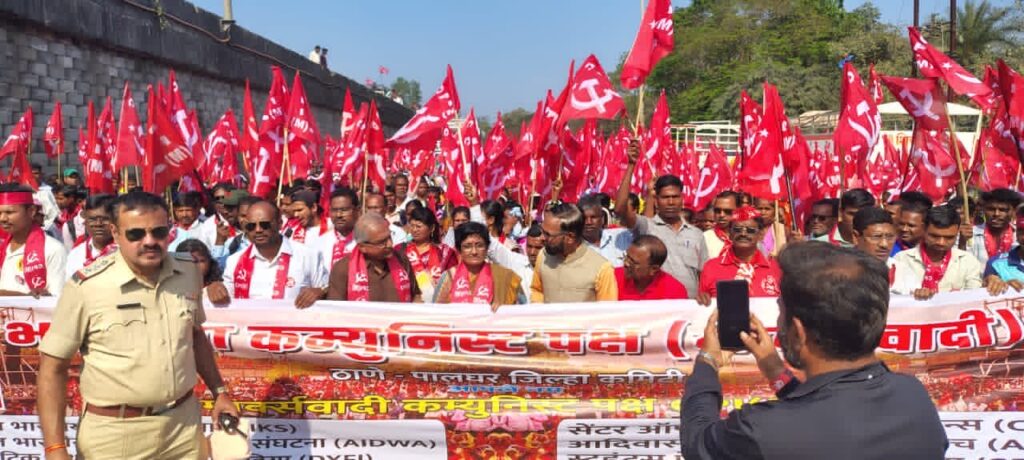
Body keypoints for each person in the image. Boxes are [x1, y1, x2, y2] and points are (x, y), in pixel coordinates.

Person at [681, 242, 948, 459]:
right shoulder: (912, 396)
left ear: (798, 332)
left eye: (781, 309)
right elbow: (825, 408)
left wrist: (708, 361)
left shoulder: (763, 430)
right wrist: (774, 368)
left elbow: (698, 442)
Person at [37, 191, 239, 459]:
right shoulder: (88, 286)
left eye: (159, 232)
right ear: (115, 233)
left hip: (183, 428)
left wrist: (220, 392)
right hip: (115, 435)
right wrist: (55, 447)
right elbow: (52, 368)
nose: (150, 241)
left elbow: (194, 335)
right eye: (136, 234)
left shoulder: (188, 271)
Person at [616, 142, 707, 298]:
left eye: (675, 197)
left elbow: (704, 274)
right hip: (656, 307)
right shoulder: (647, 227)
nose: (671, 202)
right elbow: (620, 210)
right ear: (656, 200)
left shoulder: (697, 234)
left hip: (688, 308)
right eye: (665, 197)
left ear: (682, 199)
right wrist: (631, 165)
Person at [222, 201, 328, 308]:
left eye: (265, 225)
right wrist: (213, 289)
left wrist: (321, 292)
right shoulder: (234, 262)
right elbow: (226, 302)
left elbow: (327, 292)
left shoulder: (309, 256)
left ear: (279, 223)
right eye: (251, 226)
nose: (258, 230)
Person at [891, 204, 984, 299]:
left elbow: (973, 298)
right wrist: (912, 296)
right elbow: (894, 297)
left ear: (957, 232)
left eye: (949, 238)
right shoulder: (901, 260)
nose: (941, 242)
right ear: (923, 229)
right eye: (934, 236)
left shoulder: (968, 262)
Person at [530, 203, 617, 303]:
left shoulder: (602, 269)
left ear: (570, 237)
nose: (542, 238)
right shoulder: (543, 256)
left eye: (548, 234)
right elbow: (537, 291)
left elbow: (607, 312)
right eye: (542, 231)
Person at [326, 214, 422, 302]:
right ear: (363, 247)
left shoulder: (401, 259)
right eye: (382, 242)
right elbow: (336, 310)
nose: (390, 244)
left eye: (390, 237)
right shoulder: (343, 269)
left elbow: (416, 295)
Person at [696, 205, 781, 304]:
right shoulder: (711, 267)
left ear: (759, 235)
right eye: (737, 229)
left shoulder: (775, 268)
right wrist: (702, 299)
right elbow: (702, 308)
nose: (743, 234)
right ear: (730, 233)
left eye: (750, 230)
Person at [433, 222, 526, 307]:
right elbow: (436, 312)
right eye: (467, 246)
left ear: (487, 248)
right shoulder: (449, 276)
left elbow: (522, 311)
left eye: (479, 245)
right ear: (458, 249)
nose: (474, 252)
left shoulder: (506, 277)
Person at [0, 184, 67, 296]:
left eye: (9, 212)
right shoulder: (3, 249)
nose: (2, 219)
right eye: (0, 213)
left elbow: (57, 299)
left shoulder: (52, 249)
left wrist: (23, 297)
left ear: (31, 211)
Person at [395, 207, 458, 301]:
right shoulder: (400, 249)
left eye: (419, 226)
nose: (414, 230)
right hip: (408, 303)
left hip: (437, 305)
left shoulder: (444, 252)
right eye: (412, 226)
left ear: (432, 228)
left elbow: (452, 279)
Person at [615, 235, 688, 300]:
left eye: (633, 262)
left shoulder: (675, 291)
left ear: (654, 269)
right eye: (627, 257)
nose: (626, 263)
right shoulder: (613, 278)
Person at [65, 194, 118, 277]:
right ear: (85, 223)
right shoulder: (76, 255)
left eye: (105, 219)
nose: (98, 224)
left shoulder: (126, 251)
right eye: (92, 219)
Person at [967, 188, 1021, 264]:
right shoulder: (969, 234)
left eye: (1002, 210)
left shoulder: (1019, 236)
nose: (996, 214)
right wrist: (962, 242)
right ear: (984, 209)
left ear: (1014, 211)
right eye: (991, 209)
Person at [579, 194, 632, 267]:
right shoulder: (574, 248)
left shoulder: (621, 236)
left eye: (593, 217)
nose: (589, 222)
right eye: (584, 218)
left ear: (602, 219)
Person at [175, 238, 231, 304]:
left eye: (201, 261)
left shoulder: (218, 287)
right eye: (188, 261)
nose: (195, 266)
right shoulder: (169, 288)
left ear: (209, 262)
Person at [316, 186, 360, 269]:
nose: (339, 215)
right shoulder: (321, 241)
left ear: (357, 210)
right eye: (334, 210)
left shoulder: (367, 240)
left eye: (344, 210)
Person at [703, 191, 741, 257]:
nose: (722, 215)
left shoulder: (747, 237)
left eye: (728, 211)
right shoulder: (705, 238)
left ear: (739, 211)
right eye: (717, 211)